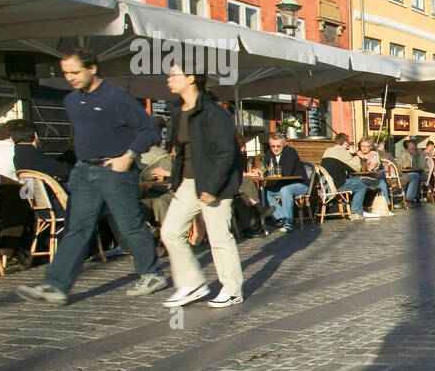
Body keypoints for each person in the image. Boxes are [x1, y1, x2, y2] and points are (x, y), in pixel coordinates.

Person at [16, 48, 166, 305]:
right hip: (84, 170)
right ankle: (55, 286)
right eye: (66, 73)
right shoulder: (71, 101)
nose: (70, 78)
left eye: (75, 72)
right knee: (77, 228)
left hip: (115, 169)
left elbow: (149, 129)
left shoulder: (115, 97)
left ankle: (152, 274)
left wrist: (128, 156)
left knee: (129, 224)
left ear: (92, 68)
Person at [158, 67, 246, 308]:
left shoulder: (212, 112)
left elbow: (226, 151)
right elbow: (180, 152)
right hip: (188, 182)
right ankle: (192, 284)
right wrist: (176, 182)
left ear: (190, 79)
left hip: (215, 183)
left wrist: (213, 185)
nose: (169, 79)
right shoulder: (178, 110)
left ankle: (232, 289)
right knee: (170, 231)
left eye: (174, 75)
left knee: (219, 238)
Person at [321, 133, 379, 219]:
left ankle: (362, 180)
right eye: (348, 142)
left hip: (325, 185)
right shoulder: (342, 152)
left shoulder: (328, 151)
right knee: (361, 186)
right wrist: (354, 154)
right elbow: (356, 167)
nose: (349, 144)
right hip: (337, 184)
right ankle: (356, 212)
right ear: (345, 143)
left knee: (355, 180)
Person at [260, 132, 309, 233]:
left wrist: (269, 172)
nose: (275, 148)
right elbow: (264, 169)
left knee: (285, 190)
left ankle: (288, 223)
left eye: (278, 146)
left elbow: (286, 173)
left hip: (299, 184)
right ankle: (282, 217)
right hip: (282, 185)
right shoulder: (269, 153)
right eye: (273, 146)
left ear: (284, 144)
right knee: (263, 192)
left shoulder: (290, 152)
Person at [8, 119, 72, 184]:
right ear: (35, 135)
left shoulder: (19, 155)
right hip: (52, 192)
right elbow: (65, 170)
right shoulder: (32, 155)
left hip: (33, 192)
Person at [356, 137, 393, 209]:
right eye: (362, 146)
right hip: (360, 177)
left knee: (382, 183)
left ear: (370, 147)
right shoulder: (357, 154)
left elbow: (371, 167)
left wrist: (364, 160)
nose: (364, 148)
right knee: (356, 181)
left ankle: (386, 205)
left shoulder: (374, 154)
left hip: (374, 177)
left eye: (366, 146)